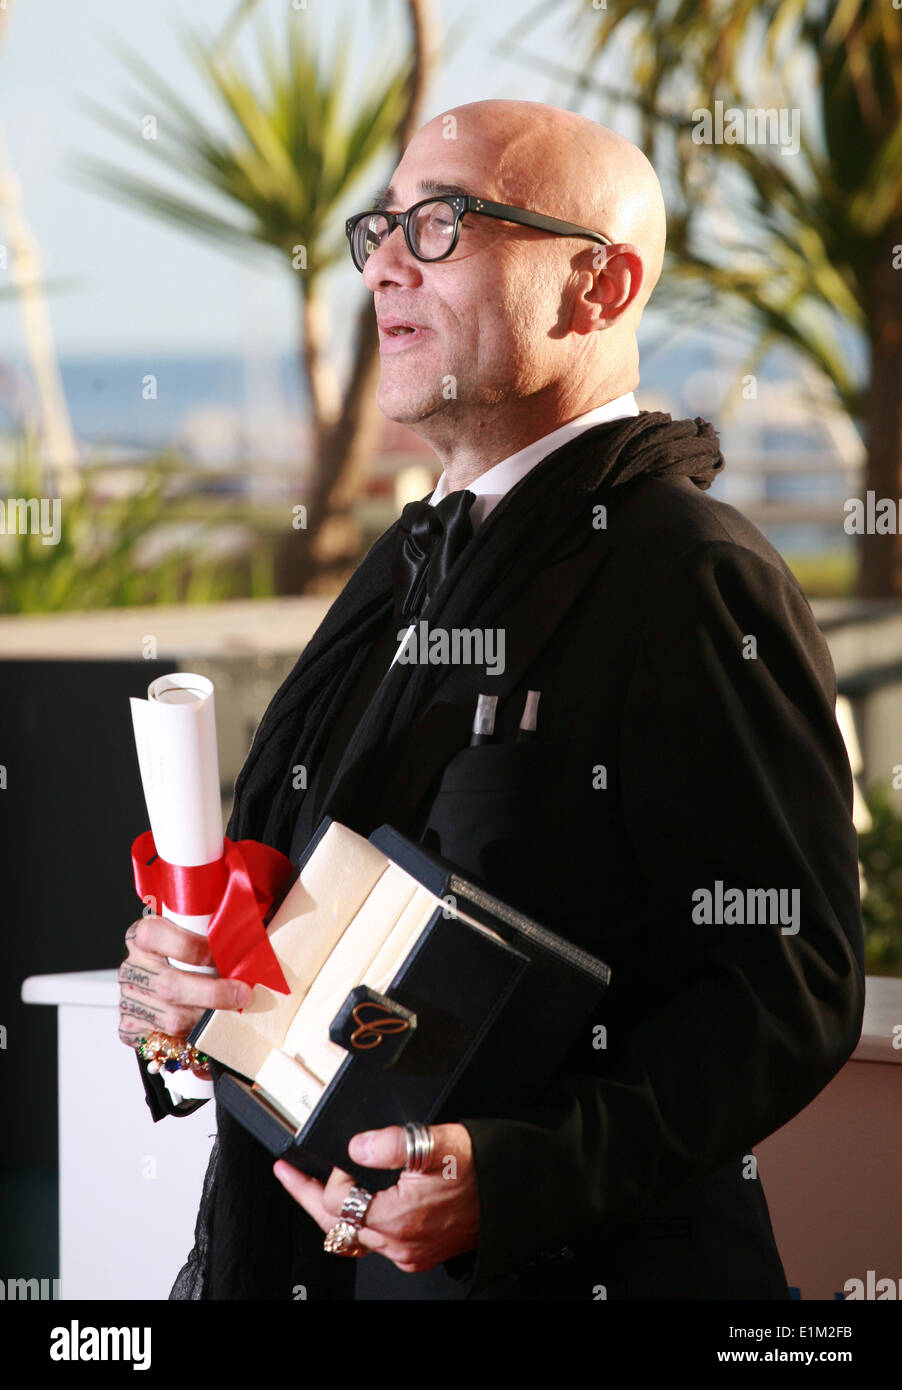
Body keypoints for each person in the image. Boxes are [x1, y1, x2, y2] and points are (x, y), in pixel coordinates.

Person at [118, 99, 865, 1300]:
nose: (385, 266)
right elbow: (341, 894)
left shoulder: (688, 573)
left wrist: (515, 1175)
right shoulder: (405, 562)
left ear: (597, 287)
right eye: (383, 228)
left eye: (443, 222)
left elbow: (792, 988)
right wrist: (201, 977)